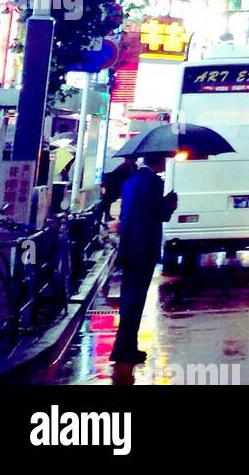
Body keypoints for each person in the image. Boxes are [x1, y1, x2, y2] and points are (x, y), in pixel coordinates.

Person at [110, 153, 178, 365]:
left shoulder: (132, 181)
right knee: (135, 300)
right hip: (143, 247)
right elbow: (158, 214)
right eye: (165, 160)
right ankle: (124, 349)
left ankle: (125, 346)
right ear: (159, 161)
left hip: (129, 245)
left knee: (129, 298)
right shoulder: (153, 182)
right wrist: (170, 204)